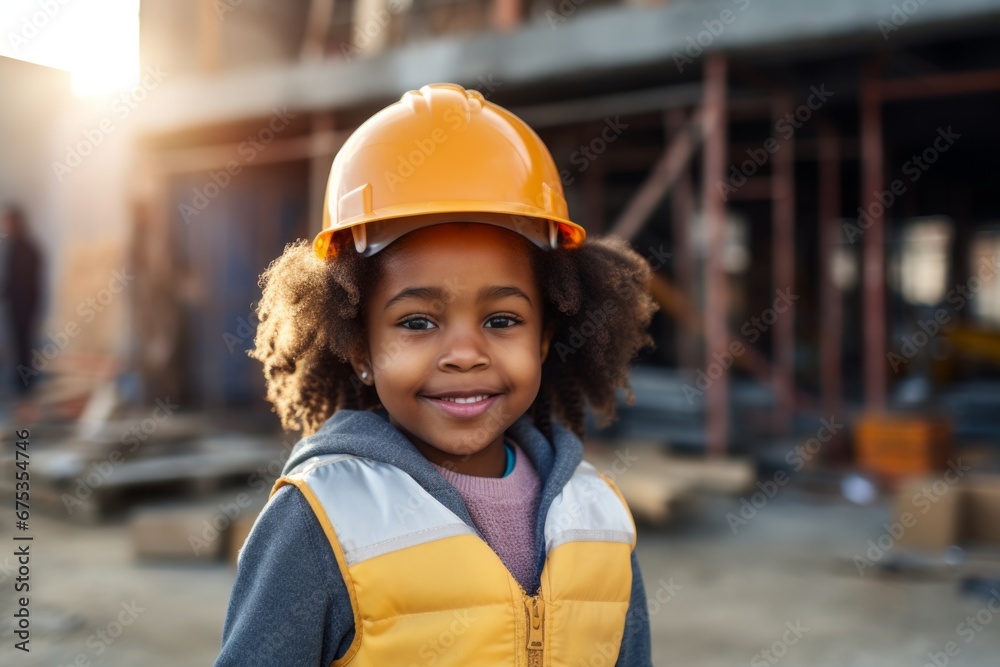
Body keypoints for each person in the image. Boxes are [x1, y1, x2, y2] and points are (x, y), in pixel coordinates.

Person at [216, 83, 657, 666]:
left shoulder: (600, 518)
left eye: (502, 319)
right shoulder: (318, 522)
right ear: (359, 349)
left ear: (545, 337)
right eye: (418, 322)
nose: (465, 353)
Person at [1, 205, 43, 401]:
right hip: (18, 306)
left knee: (23, 345)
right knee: (19, 345)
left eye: (7, 222)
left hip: (23, 307)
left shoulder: (25, 248)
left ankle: (25, 385)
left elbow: (25, 281)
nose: (4, 226)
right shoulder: (17, 246)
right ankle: (22, 383)